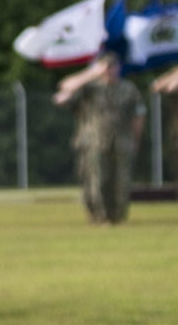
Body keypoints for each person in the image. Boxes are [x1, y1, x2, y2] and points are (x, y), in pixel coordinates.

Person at [54, 53, 145, 224]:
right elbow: (64, 87)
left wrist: (136, 139)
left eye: (113, 66)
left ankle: (118, 217)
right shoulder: (90, 87)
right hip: (94, 141)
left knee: (121, 181)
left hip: (122, 141)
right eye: (106, 66)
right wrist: (92, 73)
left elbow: (138, 115)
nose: (110, 70)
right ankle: (99, 216)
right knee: (97, 180)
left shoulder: (128, 89)